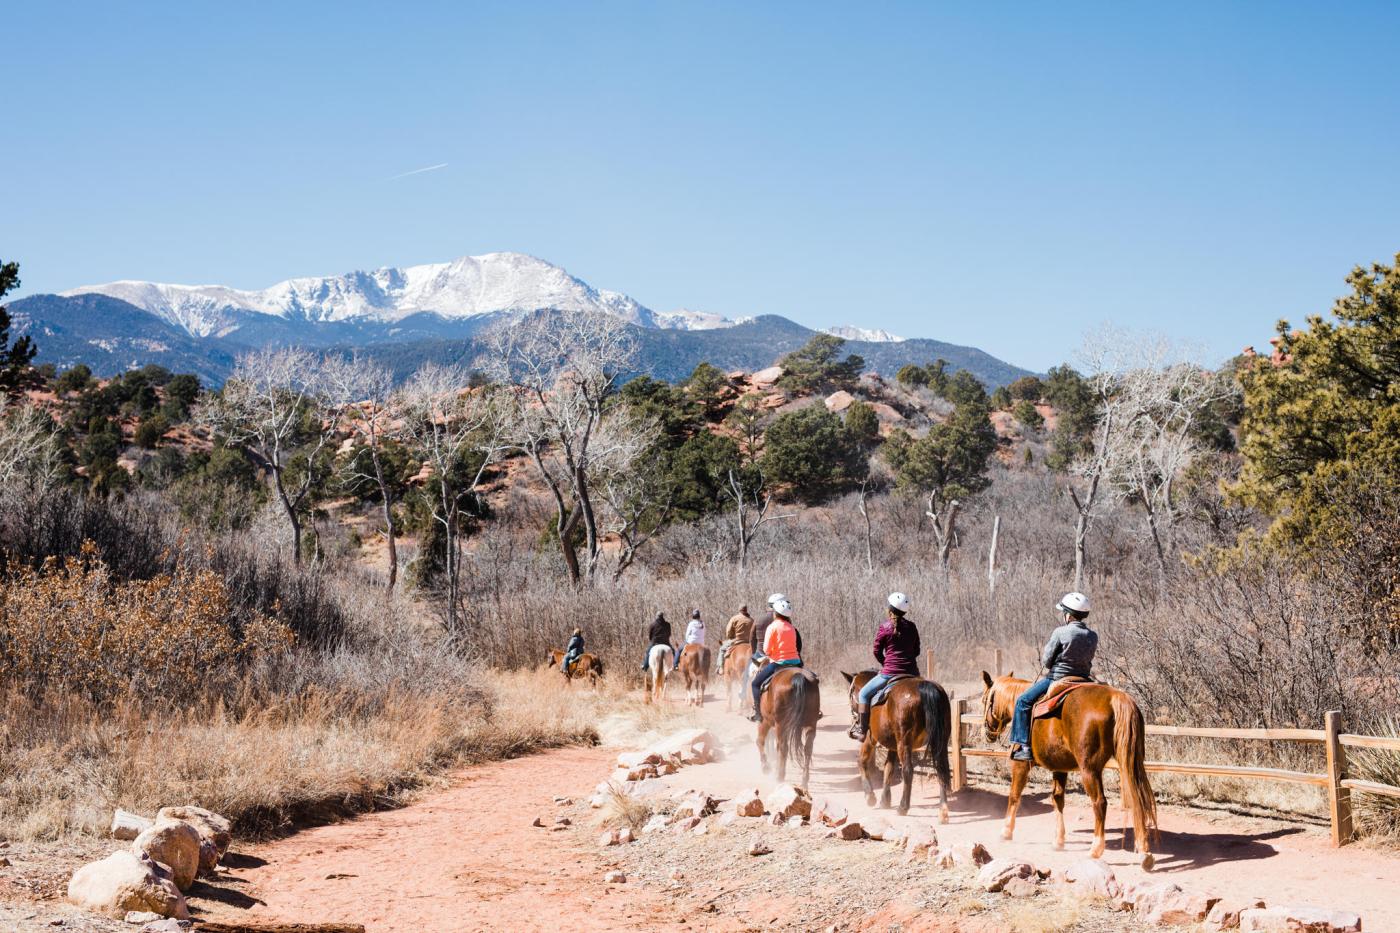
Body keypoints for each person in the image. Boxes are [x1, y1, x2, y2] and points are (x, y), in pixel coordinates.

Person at [1009, 592, 1097, 761]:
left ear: (1068, 615)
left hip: (1058, 678)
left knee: (1022, 701)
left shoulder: (1060, 632)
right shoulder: (1093, 635)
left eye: (1063, 612)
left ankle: (1024, 747)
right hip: (1084, 679)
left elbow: (1047, 661)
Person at [850, 592, 921, 740]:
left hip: (889, 673)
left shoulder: (885, 627)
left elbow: (876, 651)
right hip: (912, 673)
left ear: (889, 609)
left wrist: (886, 663)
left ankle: (862, 731)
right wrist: (907, 662)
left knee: (863, 694)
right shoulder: (912, 626)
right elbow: (917, 650)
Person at [748, 597, 803, 722]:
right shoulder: (792, 628)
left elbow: (767, 650)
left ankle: (758, 713)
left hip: (778, 664)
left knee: (755, 684)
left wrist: (773, 653)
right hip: (796, 663)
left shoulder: (772, 627)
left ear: (776, 613)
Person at [715, 604, 754, 674]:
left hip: (737, 641)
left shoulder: (734, 618)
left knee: (722, 649)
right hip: (749, 642)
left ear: (739, 610)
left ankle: (720, 667)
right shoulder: (751, 620)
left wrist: (730, 637)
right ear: (746, 610)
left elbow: (728, 631)